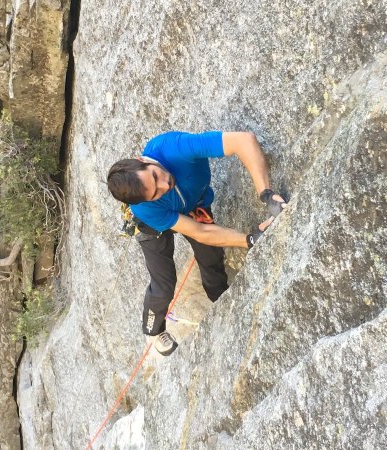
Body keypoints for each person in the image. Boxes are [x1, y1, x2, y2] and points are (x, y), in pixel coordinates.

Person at [106, 130, 287, 354]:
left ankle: (221, 300)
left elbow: (243, 140)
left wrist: (266, 194)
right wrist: (250, 239)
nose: (165, 185)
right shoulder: (144, 208)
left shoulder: (172, 148)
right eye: (155, 193)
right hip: (154, 225)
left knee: (211, 258)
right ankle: (153, 331)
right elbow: (199, 231)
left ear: (141, 160)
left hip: (193, 206)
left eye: (155, 176)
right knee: (163, 283)